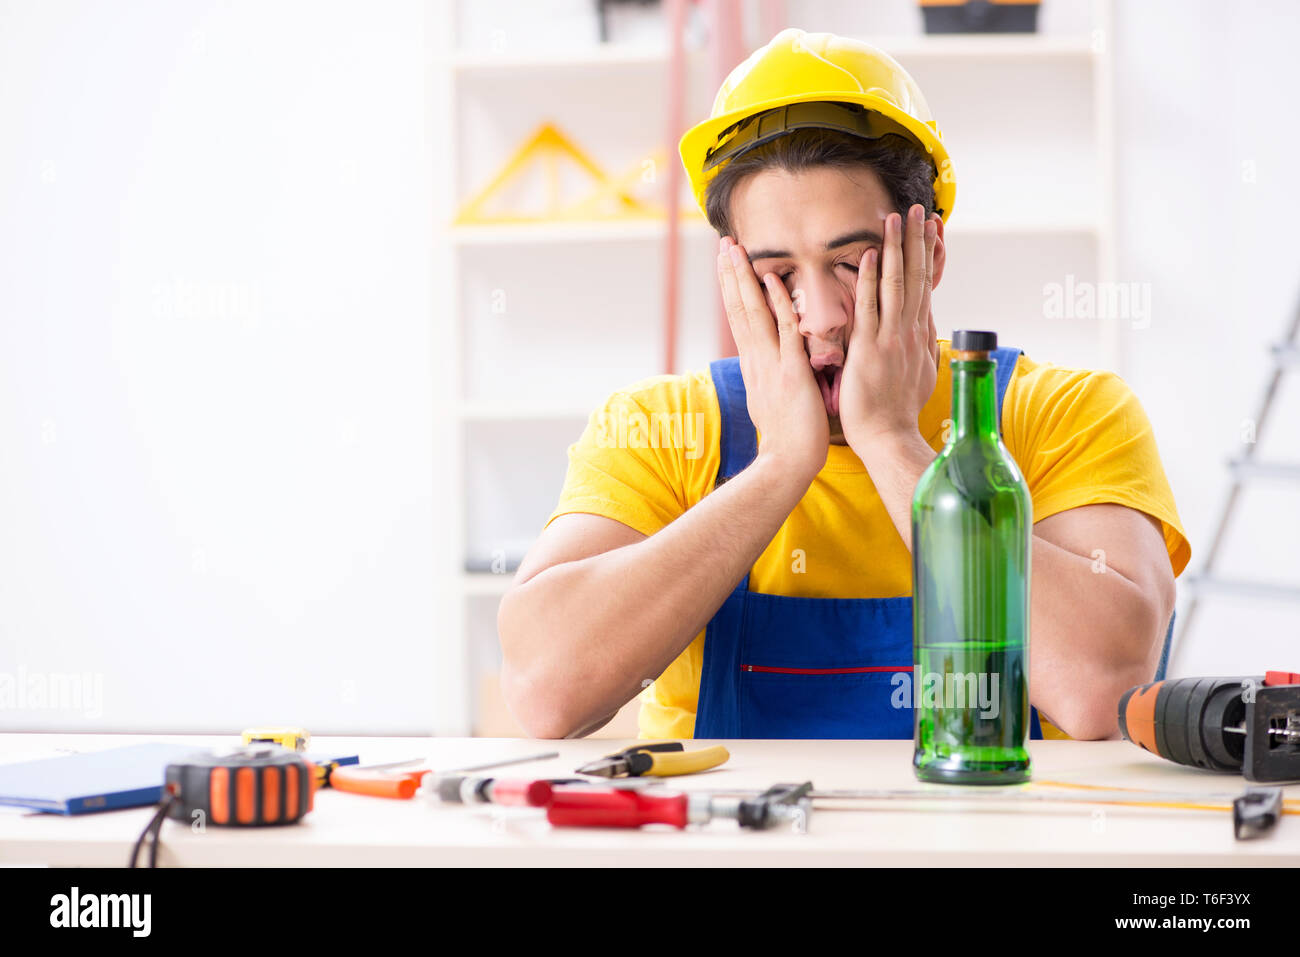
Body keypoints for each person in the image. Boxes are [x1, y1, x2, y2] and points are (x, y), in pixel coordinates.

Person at [498, 29, 1191, 741]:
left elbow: (1105, 686)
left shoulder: (1061, 414)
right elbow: (545, 692)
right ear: (734, 276)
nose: (821, 319)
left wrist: (892, 444)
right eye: (779, 274)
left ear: (931, 253)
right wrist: (778, 468)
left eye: (851, 262)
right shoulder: (662, 427)